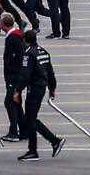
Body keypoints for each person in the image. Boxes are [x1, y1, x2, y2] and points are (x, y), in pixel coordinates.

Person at [16, 29, 64, 161]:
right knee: (31, 119)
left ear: (25, 41)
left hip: (34, 89)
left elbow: (25, 75)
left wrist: (17, 90)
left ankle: (35, 150)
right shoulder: (43, 52)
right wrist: (52, 88)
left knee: (30, 119)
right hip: (42, 87)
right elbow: (50, 72)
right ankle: (53, 141)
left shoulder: (28, 54)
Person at [1, 13, 28, 142]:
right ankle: (23, 130)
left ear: (3, 24)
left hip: (14, 76)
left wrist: (14, 70)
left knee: (10, 102)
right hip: (14, 75)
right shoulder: (14, 35)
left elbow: (20, 56)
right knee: (16, 103)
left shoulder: (14, 37)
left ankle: (14, 132)